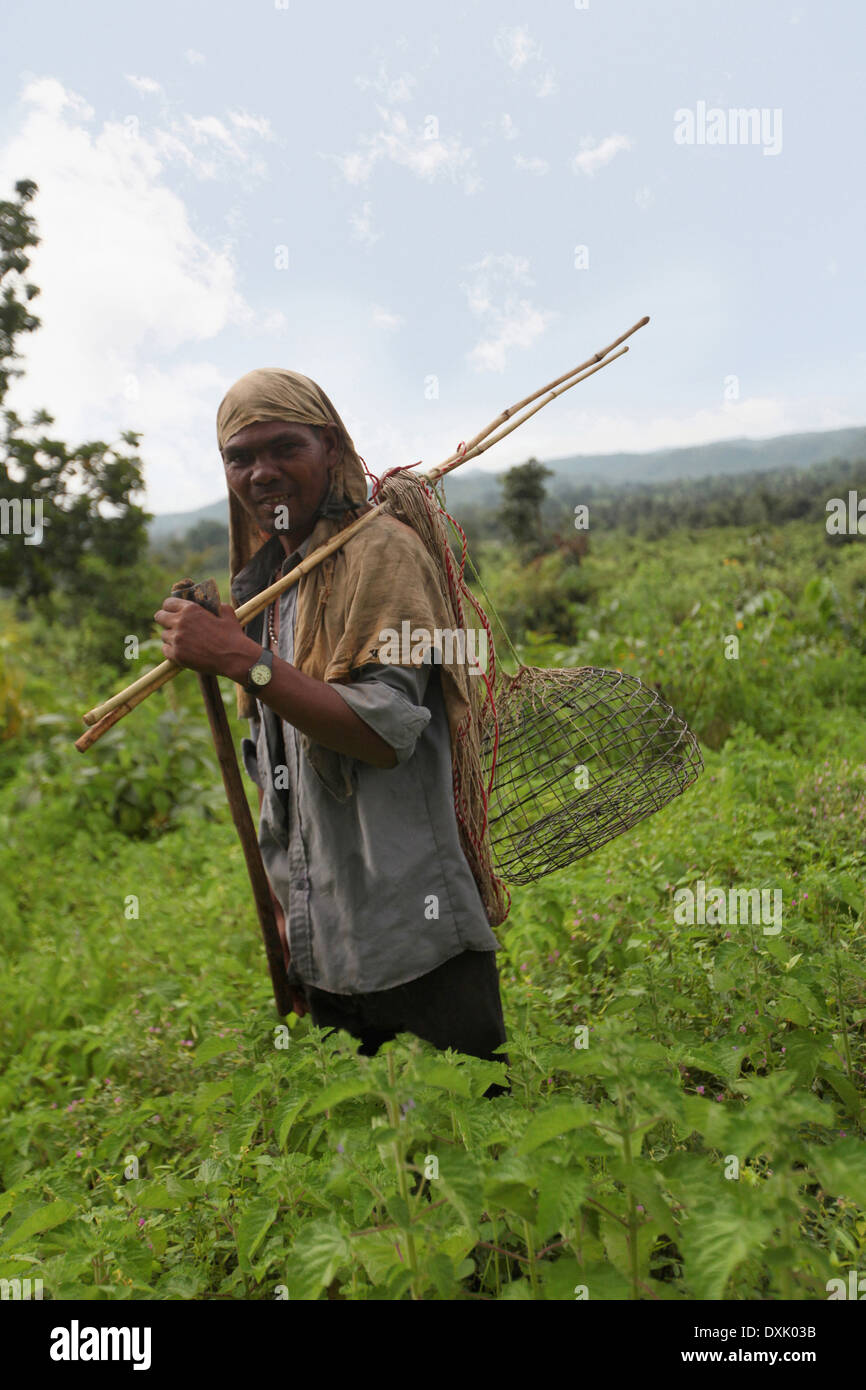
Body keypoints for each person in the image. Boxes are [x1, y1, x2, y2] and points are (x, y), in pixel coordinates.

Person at [154, 369, 510, 1094]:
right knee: (369, 1186)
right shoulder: (264, 586)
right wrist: (291, 916)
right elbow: (279, 779)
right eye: (239, 457)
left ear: (332, 447)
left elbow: (384, 733)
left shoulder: (385, 555)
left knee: (480, 1168)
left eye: (284, 447)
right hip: (324, 949)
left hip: (419, 942)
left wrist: (243, 663)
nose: (261, 472)